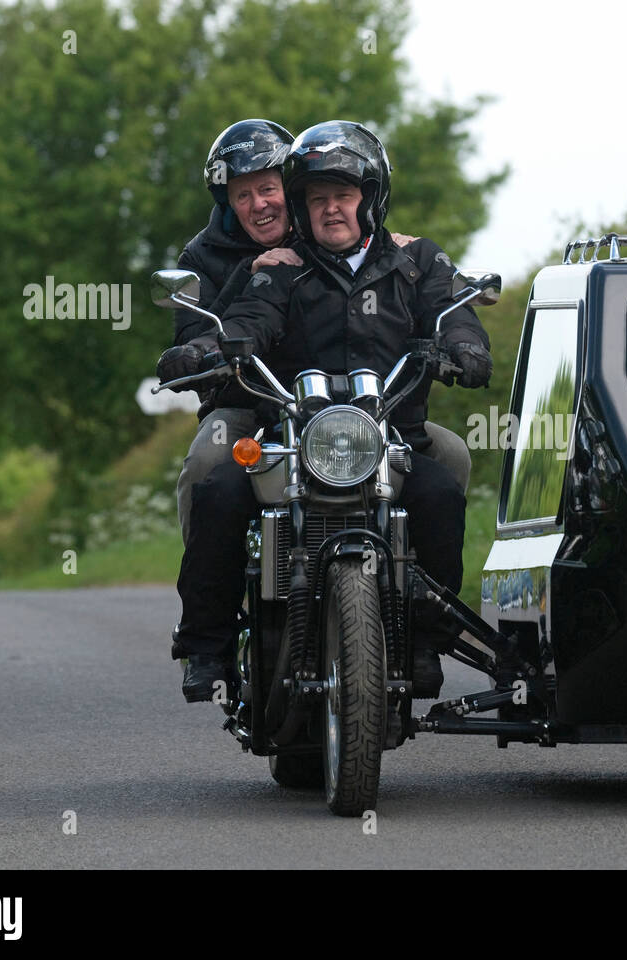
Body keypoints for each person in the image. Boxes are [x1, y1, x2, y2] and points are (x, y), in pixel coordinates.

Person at [166, 120, 492, 703]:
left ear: (371, 199)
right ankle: (206, 645)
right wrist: (205, 349)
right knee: (217, 490)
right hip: (286, 431)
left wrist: (463, 346)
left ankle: (424, 637)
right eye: (319, 200)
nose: (332, 210)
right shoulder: (277, 268)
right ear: (302, 206)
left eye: (344, 197)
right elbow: (246, 321)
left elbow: (452, 310)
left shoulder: (415, 259)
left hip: (390, 434)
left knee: (441, 492)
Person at [159, 119, 469, 546]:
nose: (259, 204)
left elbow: (426, 301)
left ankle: (420, 583)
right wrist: (245, 278)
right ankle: (209, 598)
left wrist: (393, 255)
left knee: (450, 457)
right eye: (242, 195)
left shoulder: (367, 247)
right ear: (228, 203)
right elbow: (208, 331)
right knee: (207, 465)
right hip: (253, 404)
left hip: (357, 407)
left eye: (268, 189)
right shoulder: (204, 255)